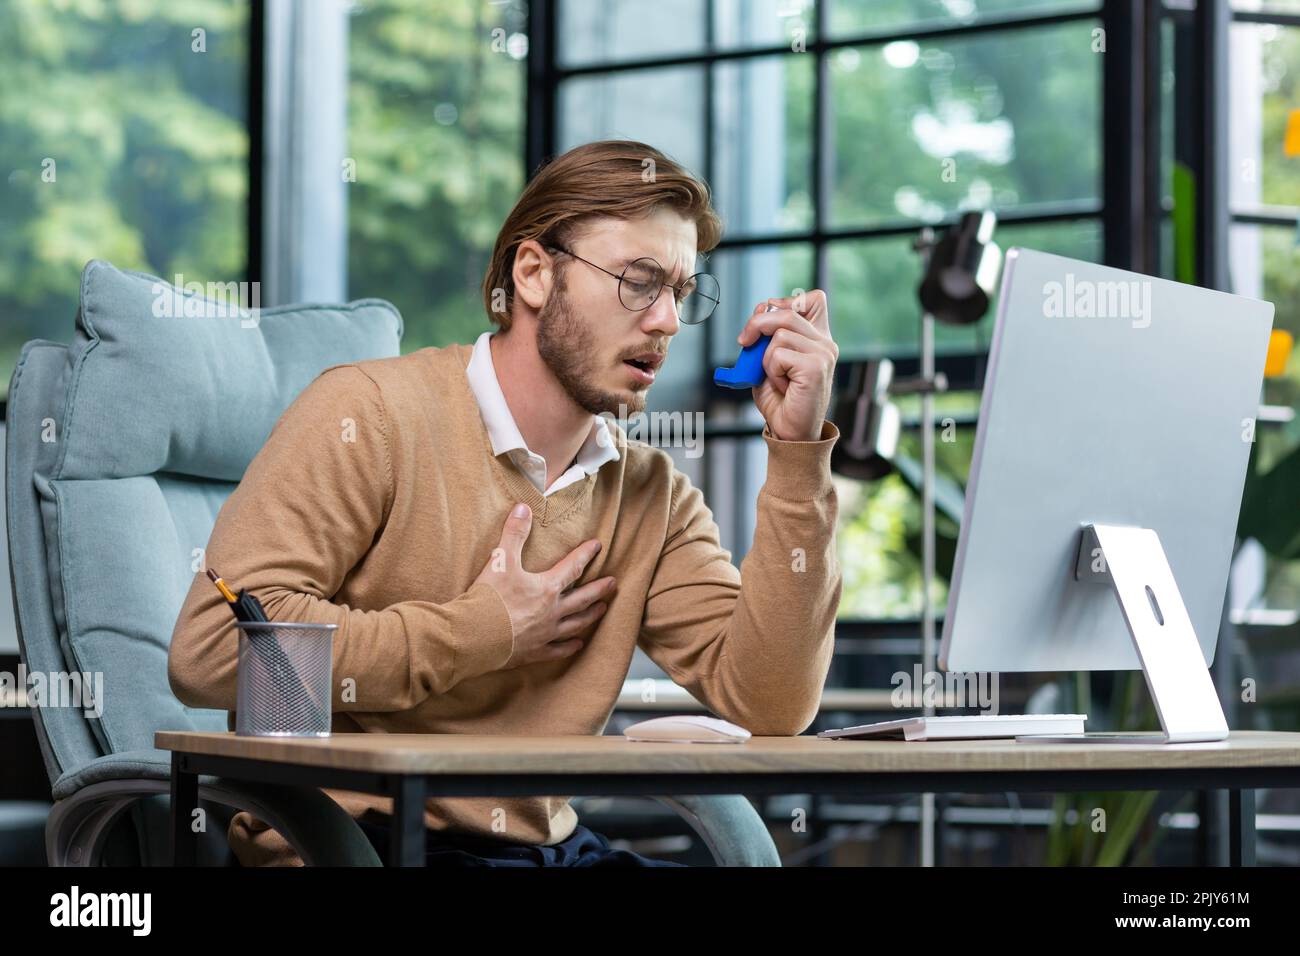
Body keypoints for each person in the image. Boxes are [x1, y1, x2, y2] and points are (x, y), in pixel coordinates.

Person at [168, 139, 842, 867]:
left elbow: (771, 703)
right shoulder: (368, 414)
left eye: (680, 292)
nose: (667, 321)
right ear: (533, 274)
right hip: (359, 846)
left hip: (547, 850)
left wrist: (796, 452)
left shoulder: (653, 493)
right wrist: (480, 630)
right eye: (640, 281)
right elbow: (210, 652)